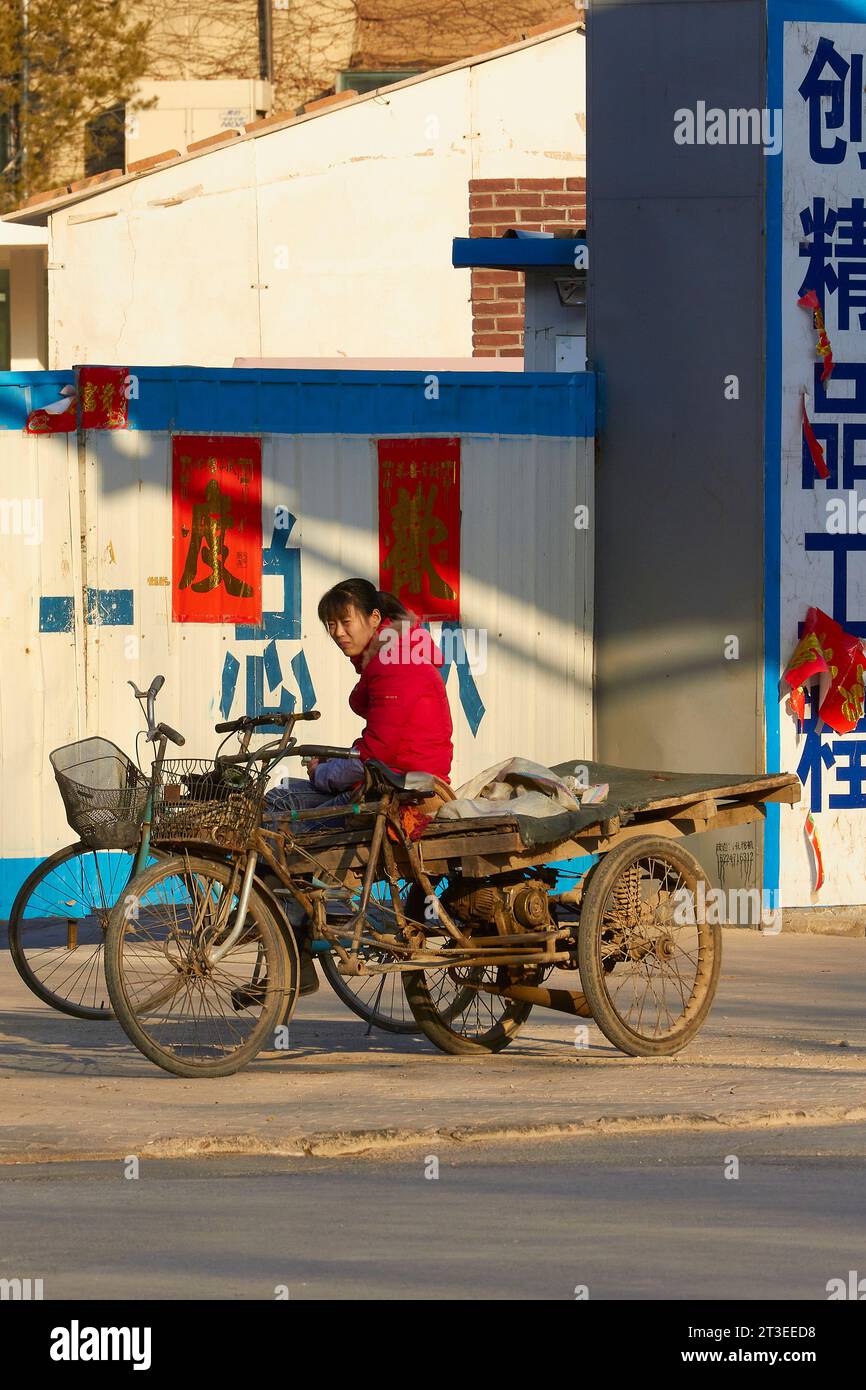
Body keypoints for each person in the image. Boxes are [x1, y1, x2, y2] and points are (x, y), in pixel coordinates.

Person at [254, 578, 453, 998]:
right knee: (282, 805)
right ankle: (297, 940)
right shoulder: (398, 657)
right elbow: (378, 745)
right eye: (331, 625)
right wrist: (331, 766)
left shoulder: (393, 666)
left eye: (345, 622)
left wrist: (323, 772)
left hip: (398, 791)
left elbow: (376, 755)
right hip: (398, 780)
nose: (338, 632)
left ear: (375, 619)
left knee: (280, 809)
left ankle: (294, 948)